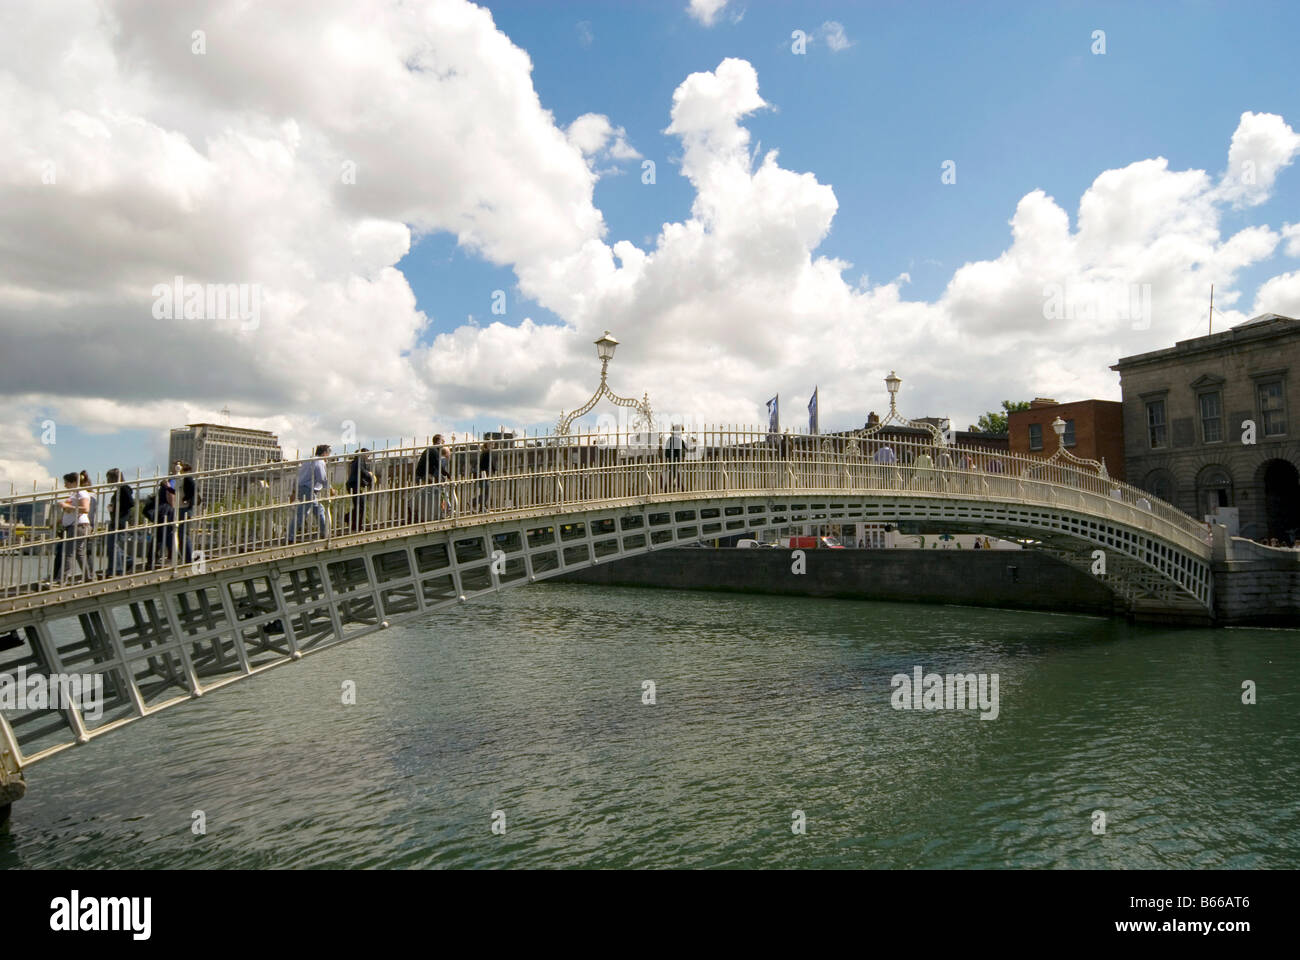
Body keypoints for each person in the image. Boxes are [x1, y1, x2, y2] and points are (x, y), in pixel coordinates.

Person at [288, 444, 331, 543]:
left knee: (316, 510)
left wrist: (294, 492)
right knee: (306, 512)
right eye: (328, 453)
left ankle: (324, 532)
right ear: (325, 453)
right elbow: (322, 477)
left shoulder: (308, 460)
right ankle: (290, 536)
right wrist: (330, 488)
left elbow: (298, 476)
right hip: (308, 489)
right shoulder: (319, 462)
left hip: (302, 488)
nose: (328, 456)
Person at [56, 472, 92, 583]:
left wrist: (67, 506)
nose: (65, 485)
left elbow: (85, 509)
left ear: (73, 482)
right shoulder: (74, 494)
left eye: (66, 482)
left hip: (78, 526)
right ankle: (88, 577)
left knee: (68, 553)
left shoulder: (81, 493)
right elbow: (73, 510)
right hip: (75, 525)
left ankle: (62, 579)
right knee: (78, 553)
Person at [105, 468, 135, 576]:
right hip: (116, 520)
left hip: (120, 520)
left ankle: (117, 569)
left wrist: (116, 507)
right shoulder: (119, 489)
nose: (108, 481)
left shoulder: (124, 488)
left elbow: (131, 503)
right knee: (112, 545)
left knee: (113, 545)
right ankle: (127, 561)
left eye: (109, 478)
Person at [346, 448, 376, 530]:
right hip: (354, 485)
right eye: (368, 455)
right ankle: (356, 525)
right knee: (361, 506)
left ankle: (352, 522)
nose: (368, 457)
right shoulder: (360, 459)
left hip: (353, 485)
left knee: (359, 506)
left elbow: (360, 473)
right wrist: (370, 477)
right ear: (364, 453)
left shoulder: (357, 460)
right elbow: (361, 471)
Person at [175, 461, 197, 564]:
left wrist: (185, 498)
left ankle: (188, 558)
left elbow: (193, 488)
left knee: (183, 534)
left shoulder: (187, 477)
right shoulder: (183, 479)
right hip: (183, 508)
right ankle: (186, 557)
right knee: (182, 534)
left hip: (185, 508)